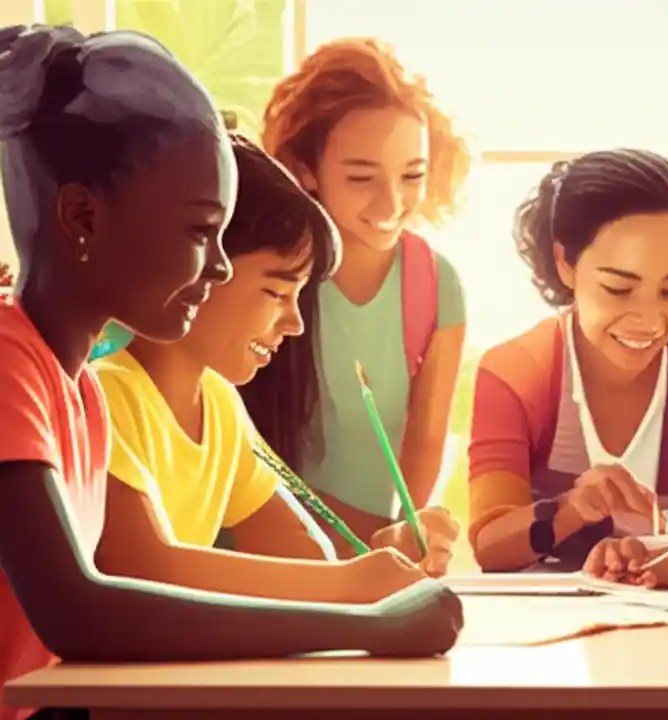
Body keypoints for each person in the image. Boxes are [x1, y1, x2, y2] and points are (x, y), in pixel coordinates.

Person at [0, 25, 460, 720]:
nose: (216, 269)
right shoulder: (12, 368)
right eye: (198, 232)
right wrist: (364, 626)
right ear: (83, 217)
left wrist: (366, 579)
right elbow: (80, 611)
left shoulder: (79, 391)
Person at [91, 133, 459, 609]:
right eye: (277, 292)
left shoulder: (218, 403)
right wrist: (351, 583)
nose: (296, 323)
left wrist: (381, 558)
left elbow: (308, 562)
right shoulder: (102, 392)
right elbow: (144, 566)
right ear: (200, 266)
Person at [467, 148, 668, 573]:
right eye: (618, 288)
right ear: (565, 264)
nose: (648, 320)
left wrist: (646, 554)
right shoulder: (516, 374)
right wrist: (572, 508)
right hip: (542, 628)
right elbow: (490, 548)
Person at [250, 37, 469, 553]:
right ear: (307, 170)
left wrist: (404, 542)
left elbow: (425, 446)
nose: (391, 203)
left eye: (412, 175)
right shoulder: (267, 274)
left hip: (366, 555)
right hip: (270, 545)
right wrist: (374, 542)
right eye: (361, 177)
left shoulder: (437, 286)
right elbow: (248, 453)